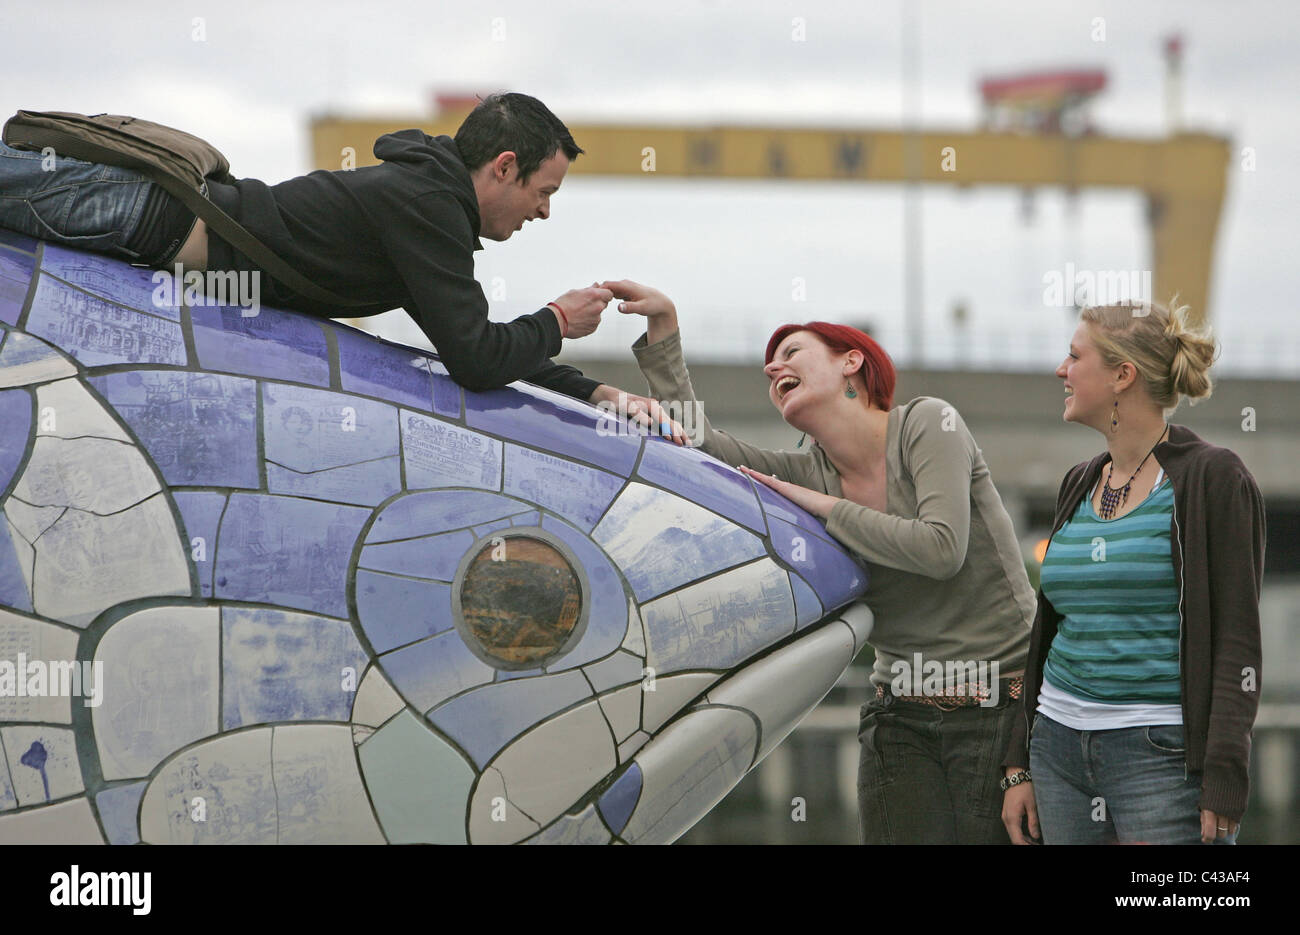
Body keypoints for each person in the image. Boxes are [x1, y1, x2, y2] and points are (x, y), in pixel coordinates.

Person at [605, 278, 1035, 844]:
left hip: (997, 709)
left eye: (791, 352)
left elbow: (940, 549)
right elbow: (700, 445)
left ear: (851, 362)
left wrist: (822, 507)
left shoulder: (927, 424)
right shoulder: (808, 473)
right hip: (898, 716)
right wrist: (663, 334)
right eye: (768, 364)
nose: (771, 368)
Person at [0, 93, 655, 413]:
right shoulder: (429, 206)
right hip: (133, 208)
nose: (544, 210)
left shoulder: (428, 200)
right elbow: (477, 357)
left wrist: (596, 391)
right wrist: (559, 321)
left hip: (143, 218)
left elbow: (471, 341)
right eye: (544, 192)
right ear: (506, 167)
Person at [1000, 300, 1265, 846]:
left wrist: (1225, 776)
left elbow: (1237, 641)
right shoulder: (1079, 480)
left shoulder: (1212, 477)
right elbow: (1049, 631)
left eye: (1075, 357)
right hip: (1057, 746)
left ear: (1123, 375)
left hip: (1161, 756)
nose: (1060, 370)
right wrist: (1018, 762)